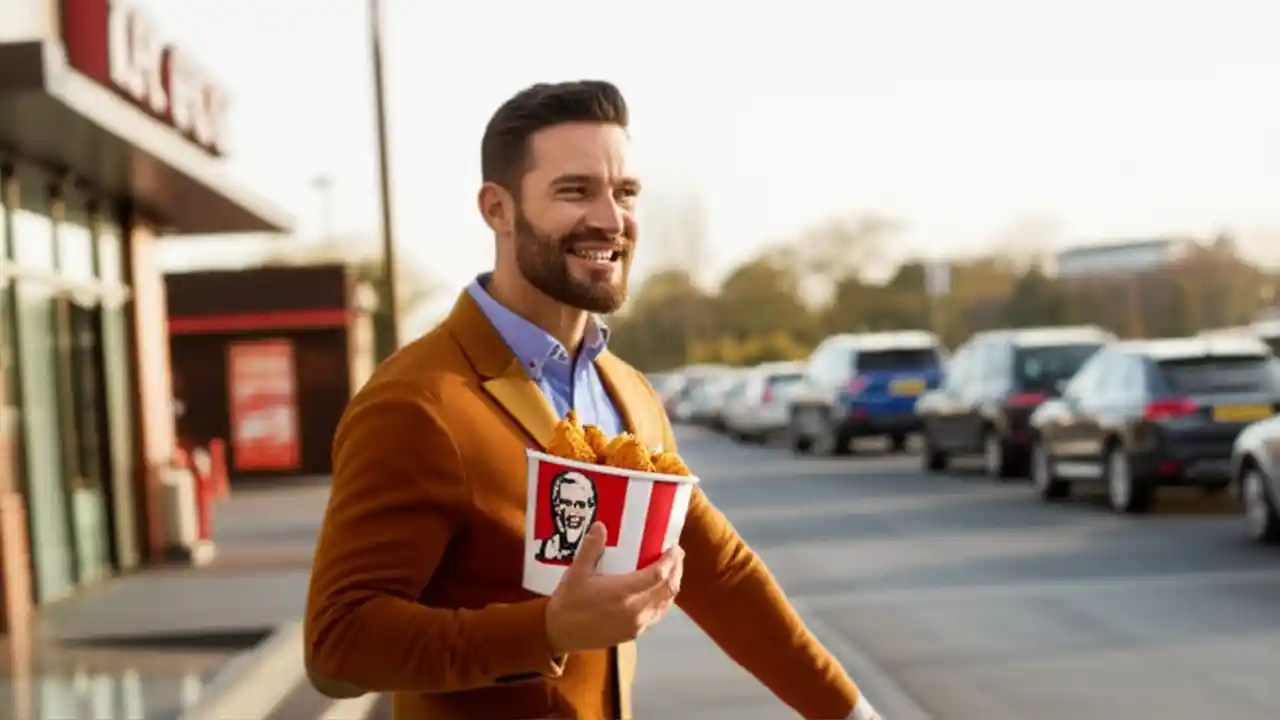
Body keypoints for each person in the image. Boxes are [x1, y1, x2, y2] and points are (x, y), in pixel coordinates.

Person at [304, 80, 882, 720]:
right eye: (575, 191)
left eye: (625, 192)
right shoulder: (418, 403)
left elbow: (722, 574)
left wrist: (850, 712)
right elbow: (338, 648)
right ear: (497, 209)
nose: (611, 219)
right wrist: (545, 629)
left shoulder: (629, 394)